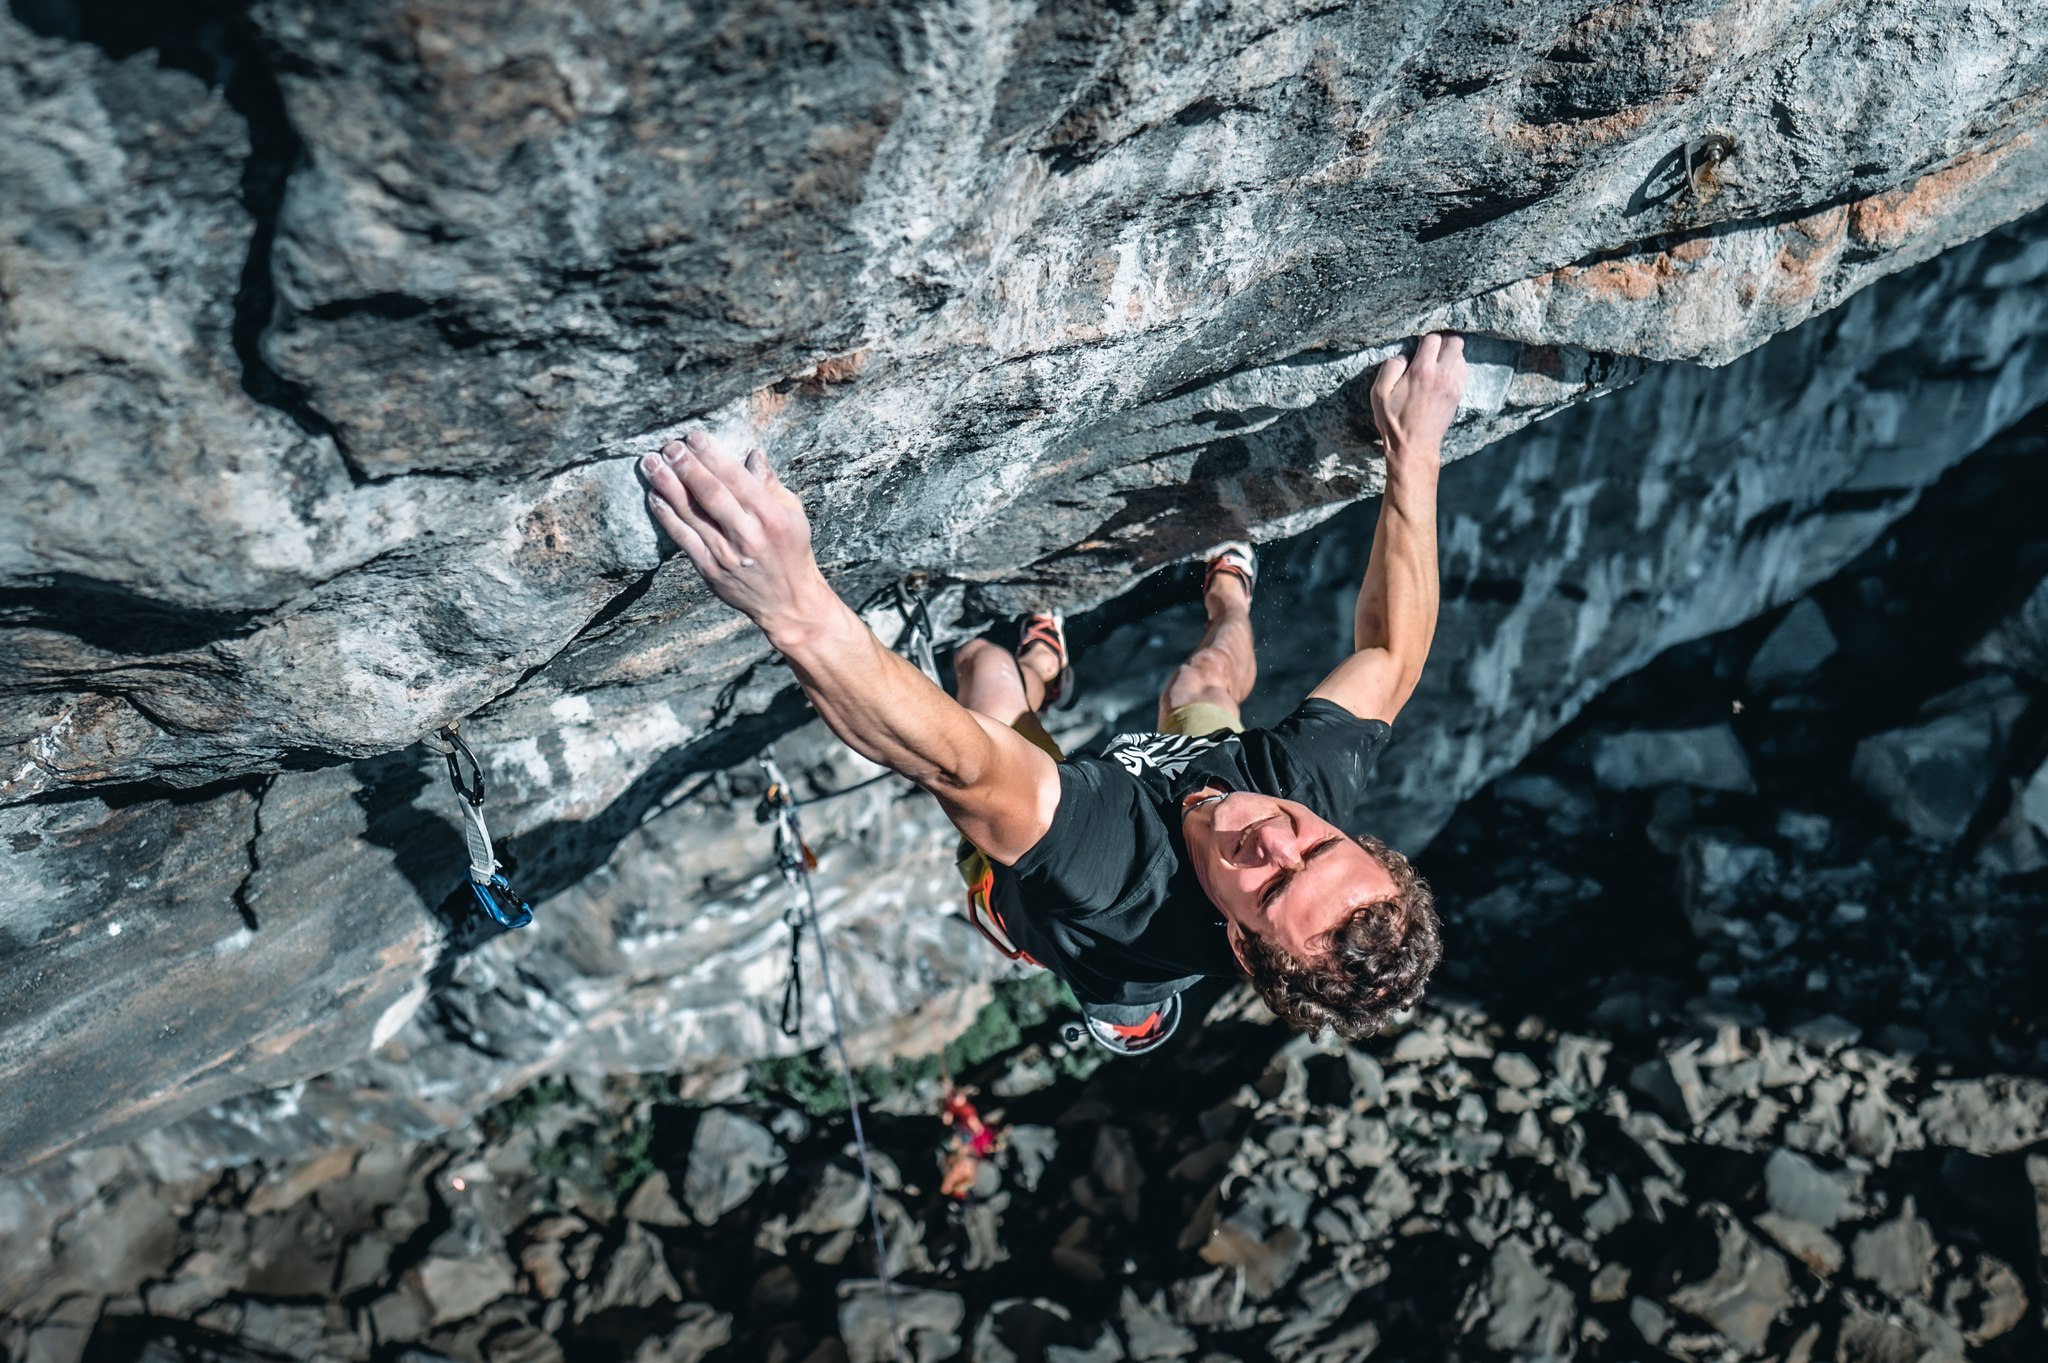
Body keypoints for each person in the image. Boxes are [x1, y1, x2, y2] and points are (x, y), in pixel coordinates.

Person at [643, 335, 1467, 1052]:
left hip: (1037, 906)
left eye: (1274, 889)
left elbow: (952, 761)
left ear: (1246, 952)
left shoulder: (1107, 873)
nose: (1272, 841)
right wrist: (1416, 449)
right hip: (1173, 777)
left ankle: (1035, 668)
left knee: (990, 681)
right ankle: (1229, 592)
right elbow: (1394, 652)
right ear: (1358, 844)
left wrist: (791, 603)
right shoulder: (1301, 790)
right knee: (1204, 680)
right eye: (1320, 847)